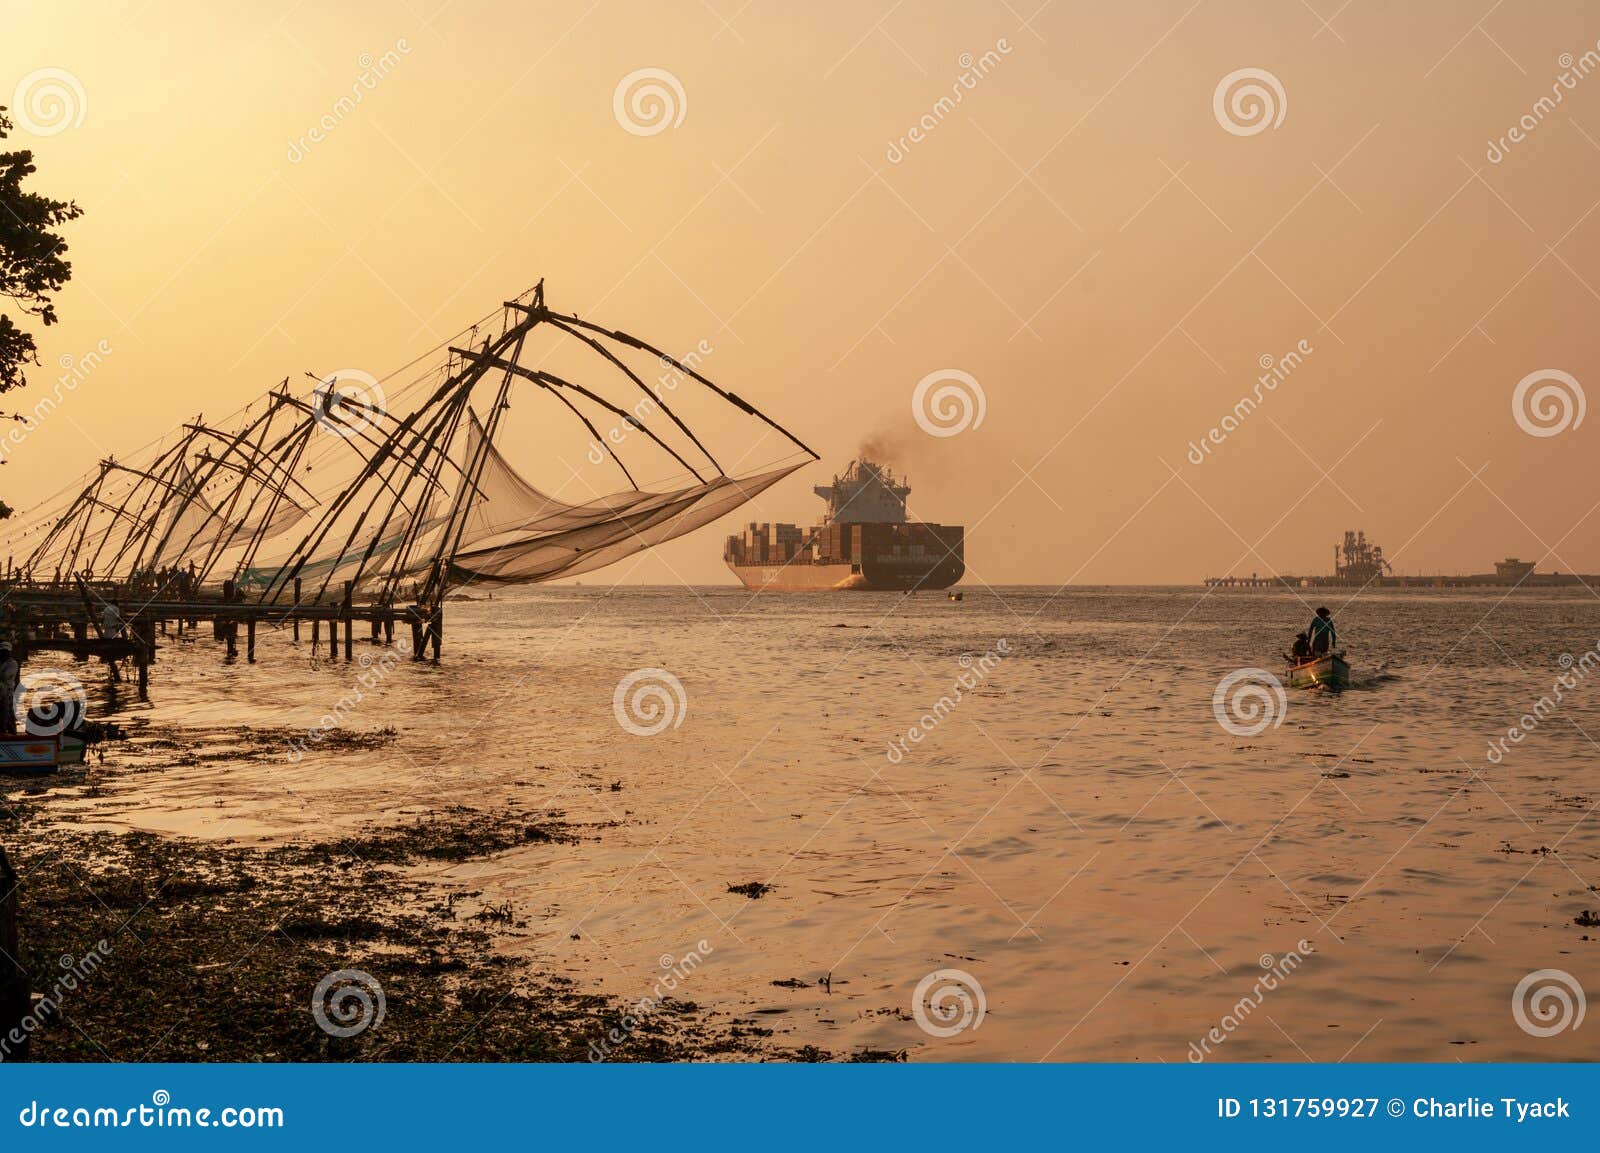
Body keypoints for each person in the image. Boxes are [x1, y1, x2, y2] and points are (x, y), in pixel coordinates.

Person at [0, 640, 17, 735]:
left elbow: (5, 676)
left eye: (6, 651)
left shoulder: (13, 663)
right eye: (2, 651)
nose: (4, 653)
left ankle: (12, 734)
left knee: (8, 715)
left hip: (8, 693)